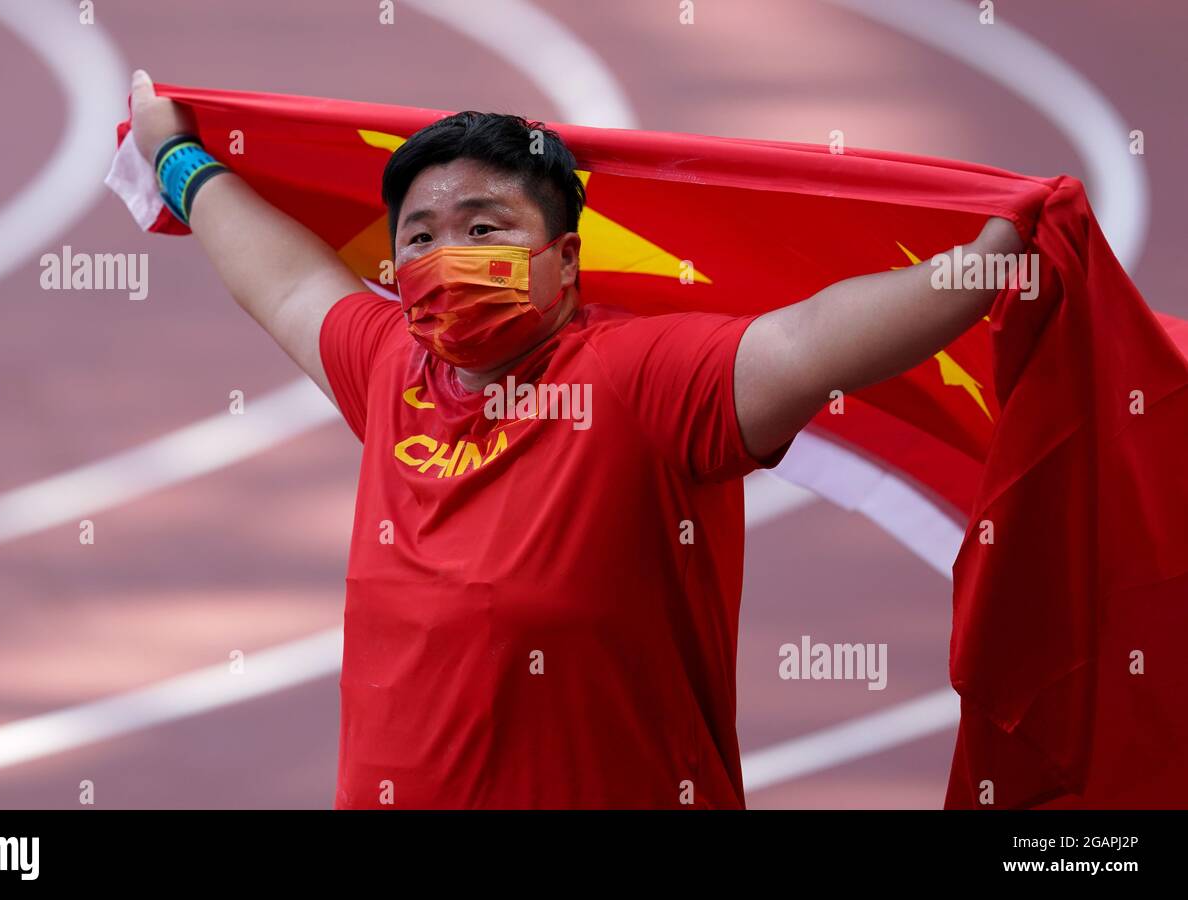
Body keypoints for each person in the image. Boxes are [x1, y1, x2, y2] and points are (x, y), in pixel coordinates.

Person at [128, 69, 1024, 809]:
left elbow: (806, 340)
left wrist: (992, 262)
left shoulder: (643, 376)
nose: (449, 256)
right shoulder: (389, 368)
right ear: (395, 271)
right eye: (422, 238)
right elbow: (282, 284)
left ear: (565, 260)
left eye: (485, 228)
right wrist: (174, 160)